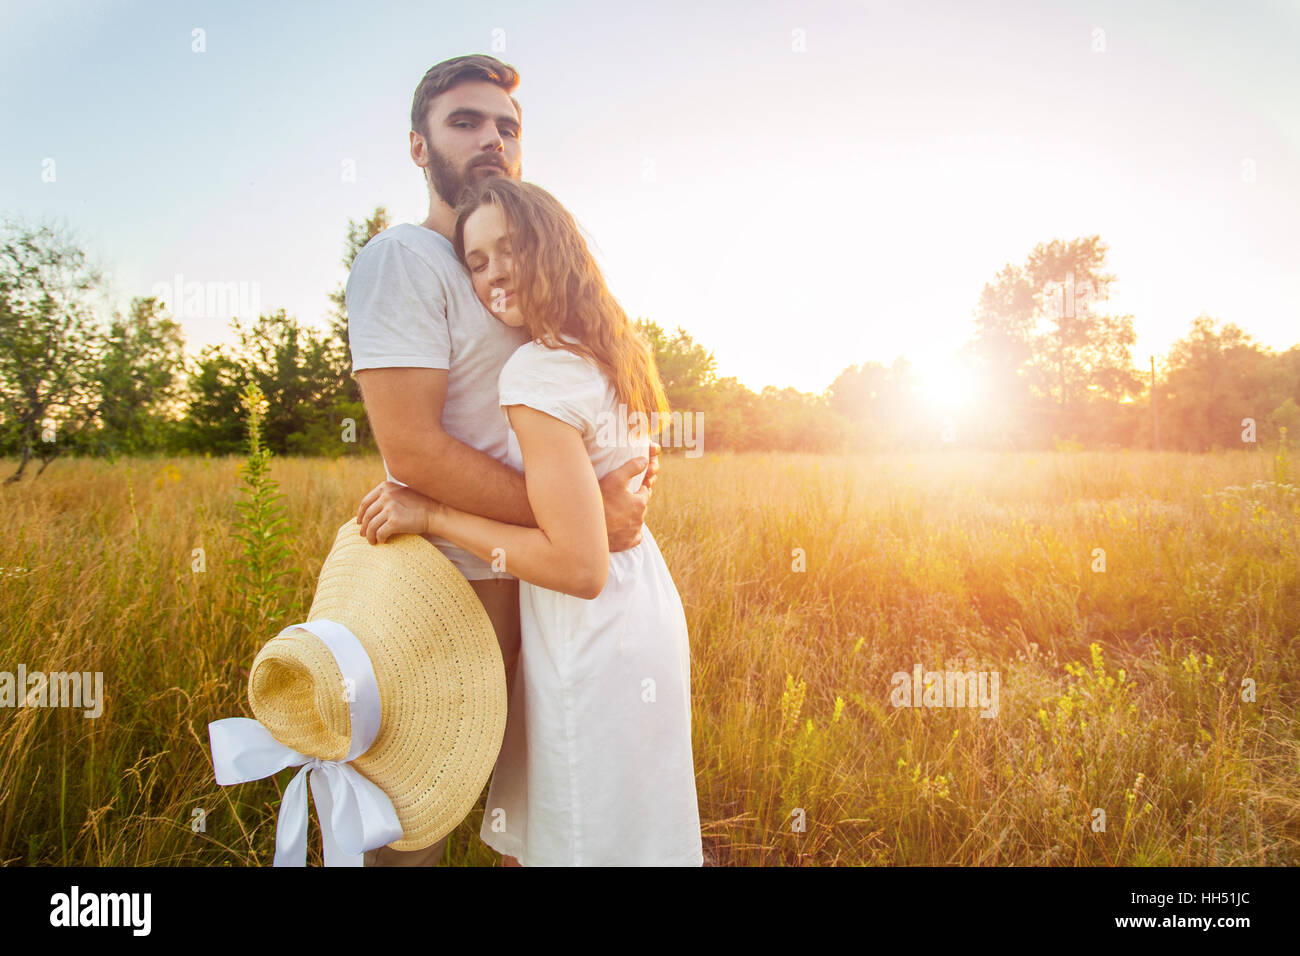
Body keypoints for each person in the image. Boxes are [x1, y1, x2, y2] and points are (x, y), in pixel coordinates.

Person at [345, 54, 658, 867]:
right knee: (419, 808)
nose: (493, 137)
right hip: (455, 579)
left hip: (537, 580)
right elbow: (411, 447)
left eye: (507, 126)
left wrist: (596, 503)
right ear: (418, 146)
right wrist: (585, 516)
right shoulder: (403, 261)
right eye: (465, 121)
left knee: (540, 808)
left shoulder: (521, 266)